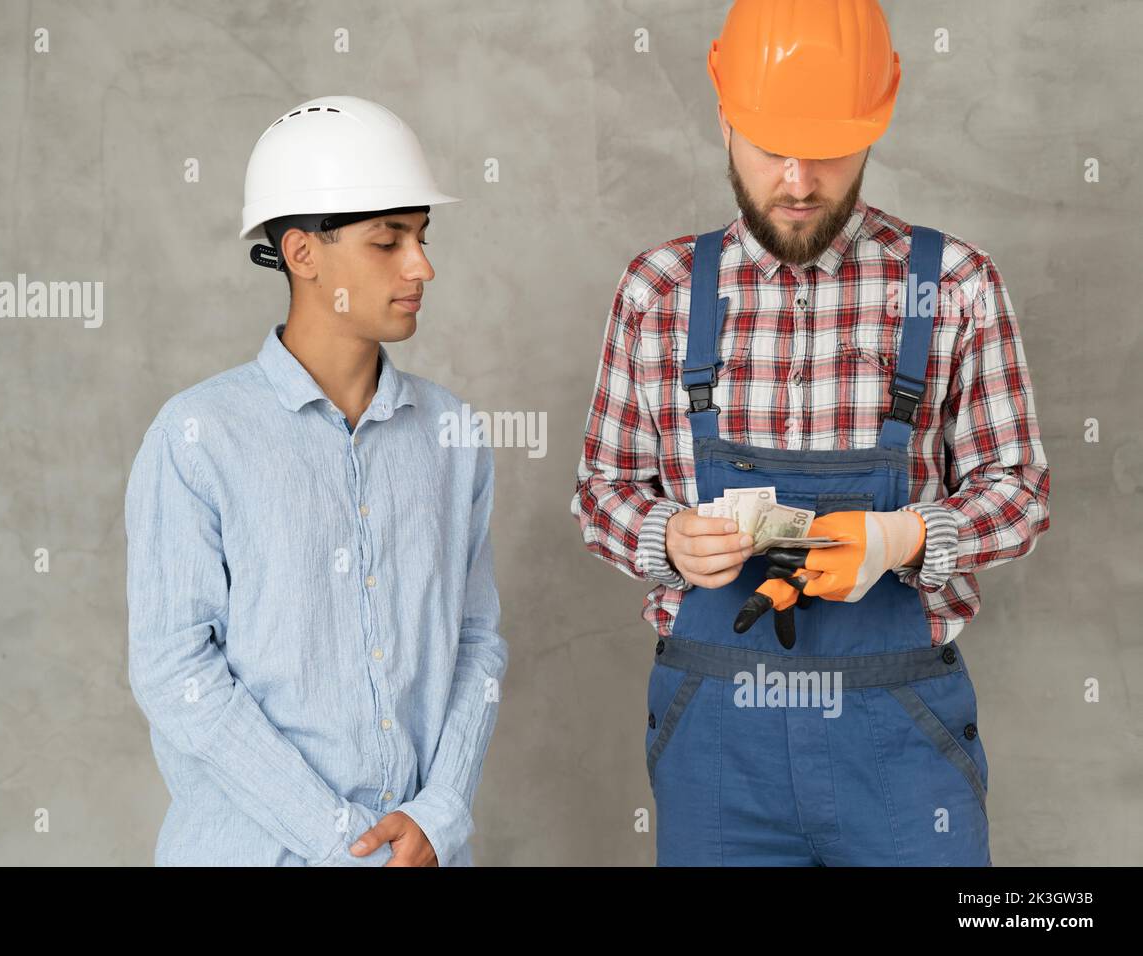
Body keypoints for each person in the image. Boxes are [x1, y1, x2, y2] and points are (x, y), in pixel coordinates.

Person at [570, 0, 1050, 865]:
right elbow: (601, 491)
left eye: (827, 149)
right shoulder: (659, 293)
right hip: (717, 749)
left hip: (900, 743)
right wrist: (664, 536)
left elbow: (1020, 492)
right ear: (723, 114)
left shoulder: (956, 286)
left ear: (881, 117)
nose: (797, 181)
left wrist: (912, 535)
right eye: (768, 147)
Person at [125, 95, 506, 866]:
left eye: (422, 238)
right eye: (387, 242)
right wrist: (346, 843)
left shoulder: (452, 434)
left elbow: (477, 640)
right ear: (303, 254)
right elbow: (174, 672)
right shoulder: (199, 437)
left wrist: (438, 814)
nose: (422, 266)